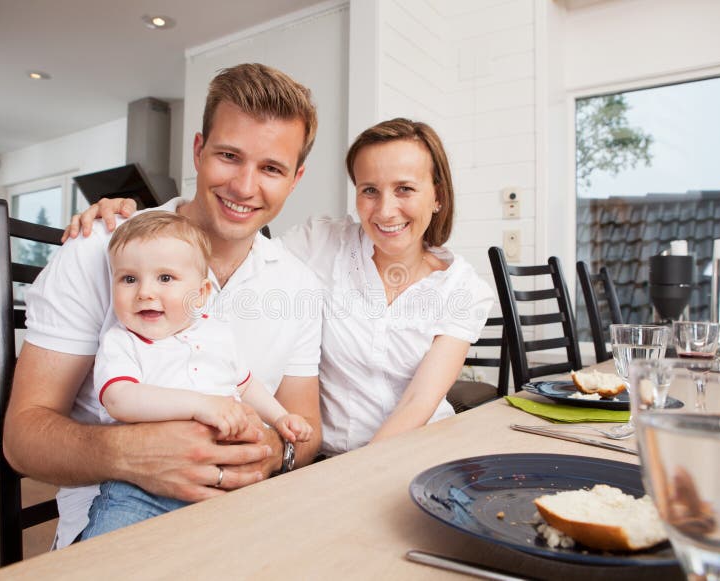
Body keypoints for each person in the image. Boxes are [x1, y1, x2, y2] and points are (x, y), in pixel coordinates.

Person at [6, 63, 323, 549]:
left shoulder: (299, 286)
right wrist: (132, 453)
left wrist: (269, 456)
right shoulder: (98, 249)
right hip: (119, 531)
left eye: (271, 168)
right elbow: (22, 439)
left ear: (295, 178)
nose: (243, 185)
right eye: (229, 155)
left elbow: (306, 433)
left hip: (244, 523)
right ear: (198, 151)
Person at [68, 118, 494, 458]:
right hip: (325, 460)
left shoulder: (464, 289)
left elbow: (419, 401)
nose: (385, 210)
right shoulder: (321, 243)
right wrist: (136, 220)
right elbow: (236, 241)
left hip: (417, 452)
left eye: (405, 189)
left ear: (437, 196)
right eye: (369, 190)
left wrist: (357, 478)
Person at [82, 211, 312, 538]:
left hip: (226, 491)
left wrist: (280, 417)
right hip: (140, 492)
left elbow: (245, 384)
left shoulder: (217, 335)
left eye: (165, 279)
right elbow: (119, 399)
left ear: (201, 294)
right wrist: (201, 405)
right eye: (128, 279)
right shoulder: (123, 341)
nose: (145, 292)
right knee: (109, 556)